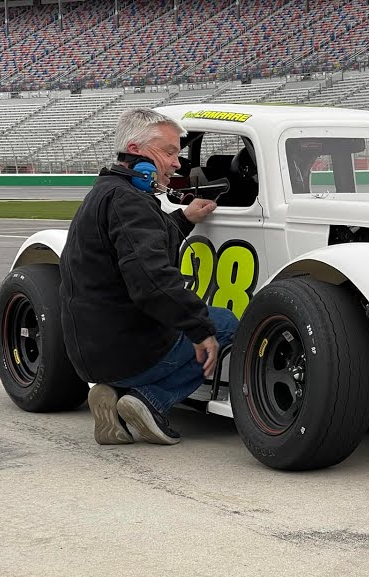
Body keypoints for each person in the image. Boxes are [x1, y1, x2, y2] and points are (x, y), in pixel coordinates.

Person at [59, 108, 237, 447]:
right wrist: (199, 328)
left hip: (90, 353)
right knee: (224, 323)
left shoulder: (106, 192)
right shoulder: (130, 202)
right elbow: (152, 281)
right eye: (169, 152)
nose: (177, 163)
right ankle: (148, 401)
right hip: (125, 350)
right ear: (136, 150)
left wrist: (184, 217)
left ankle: (113, 392)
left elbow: (139, 240)